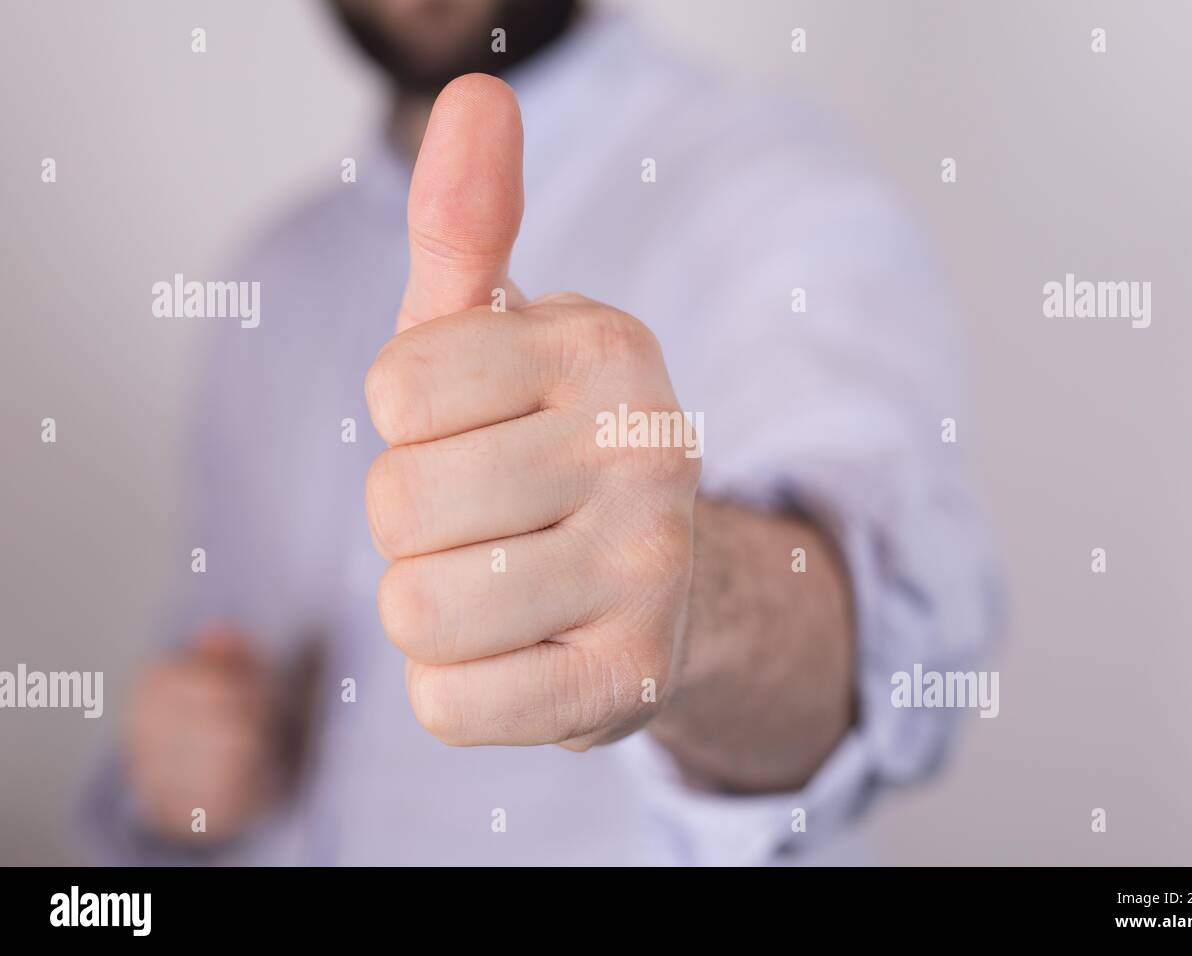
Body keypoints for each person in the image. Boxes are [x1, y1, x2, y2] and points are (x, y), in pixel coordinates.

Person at [89, 0, 1000, 865]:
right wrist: (186, 780)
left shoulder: (777, 188)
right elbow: (203, 654)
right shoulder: (270, 276)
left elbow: (897, 654)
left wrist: (690, 601)